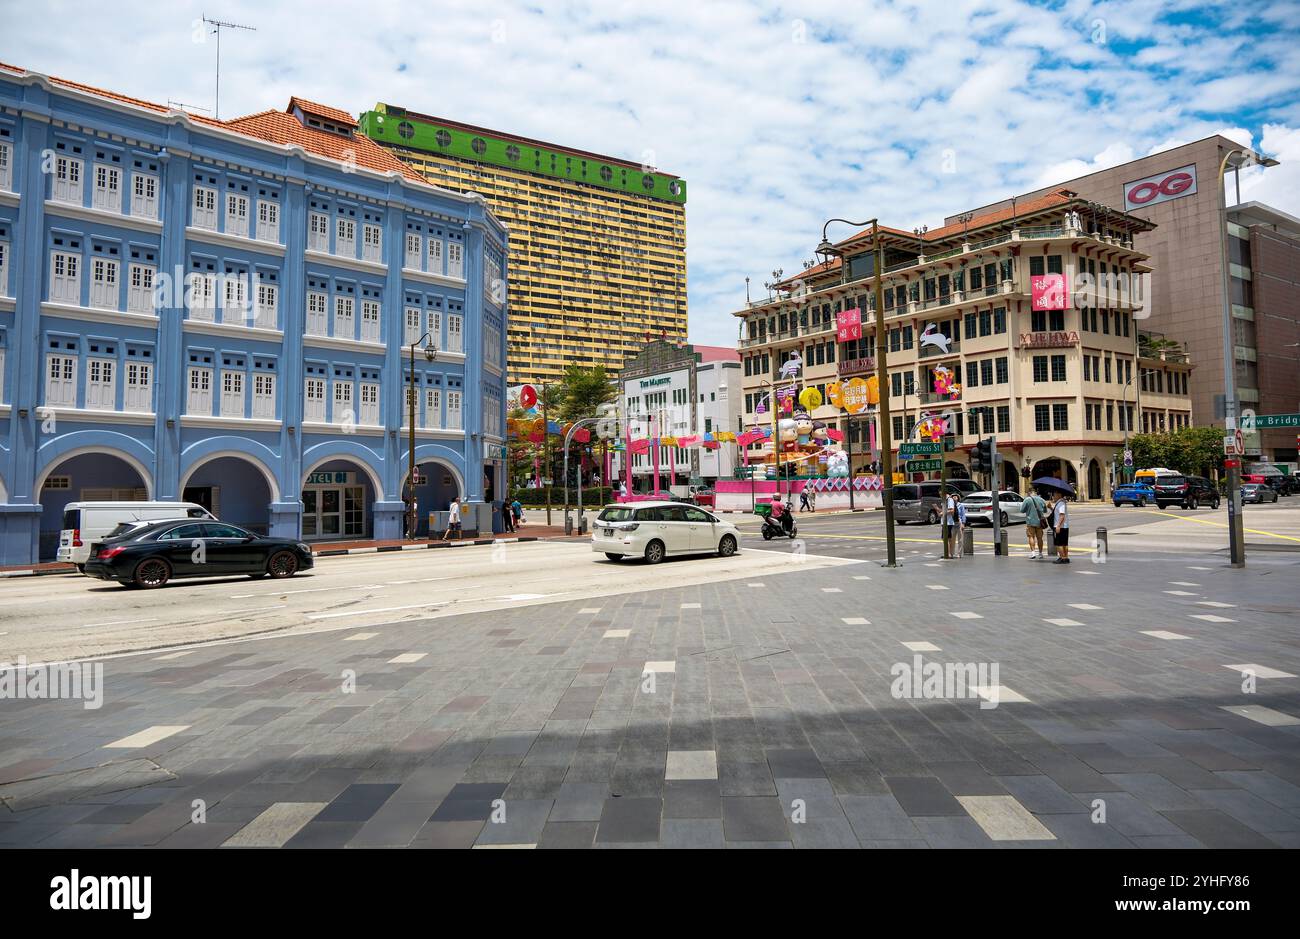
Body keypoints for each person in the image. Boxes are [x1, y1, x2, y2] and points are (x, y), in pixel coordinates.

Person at [1020, 488, 1047, 558]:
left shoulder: (1027, 500)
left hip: (1030, 522)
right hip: (1039, 522)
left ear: (1029, 493)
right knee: (1040, 538)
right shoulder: (1041, 499)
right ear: (1035, 492)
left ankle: (1033, 553)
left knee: (1031, 537)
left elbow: (1022, 510)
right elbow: (1045, 510)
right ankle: (1040, 553)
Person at [1050, 490, 1070, 563]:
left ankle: (1062, 557)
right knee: (1064, 543)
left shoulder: (1061, 503)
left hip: (1061, 526)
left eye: (1054, 494)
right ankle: (1065, 557)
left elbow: (1062, 515)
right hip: (1064, 526)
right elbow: (1058, 513)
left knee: (1059, 543)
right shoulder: (1061, 503)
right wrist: (1050, 508)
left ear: (1059, 494)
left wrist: (1058, 526)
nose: (1053, 496)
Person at [943, 490, 959, 557]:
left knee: (949, 538)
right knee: (945, 538)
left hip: (949, 522)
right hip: (944, 522)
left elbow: (952, 511)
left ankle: (950, 553)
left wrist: (944, 512)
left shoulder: (949, 500)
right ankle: (948, 553)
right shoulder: (944, 500)